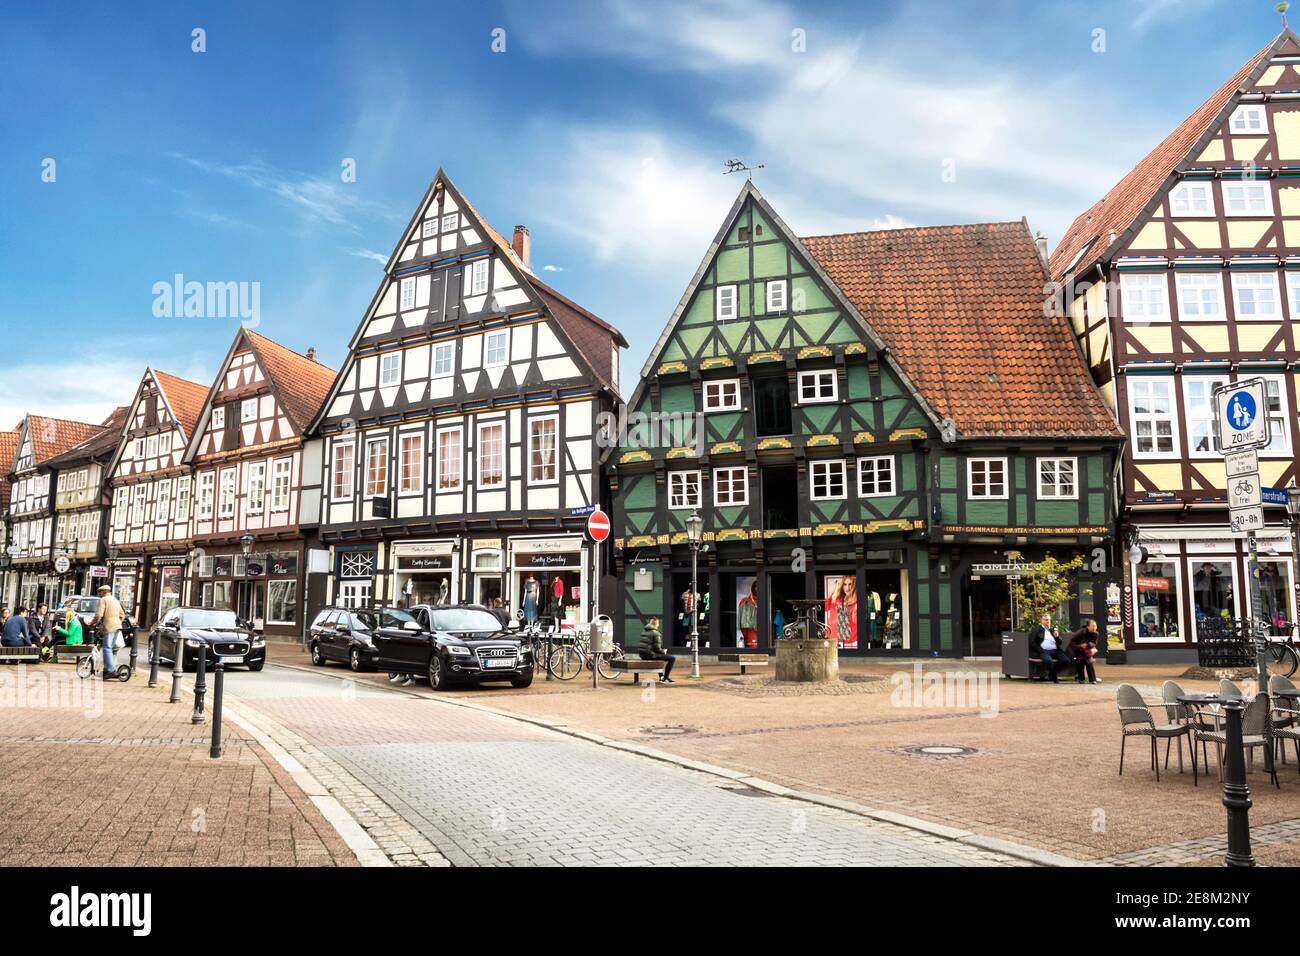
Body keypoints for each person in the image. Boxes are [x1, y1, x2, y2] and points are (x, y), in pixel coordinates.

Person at [90, 585, 125, 681]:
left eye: (99, 592)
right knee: (111, 648)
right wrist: (118, 622)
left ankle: (110, 670)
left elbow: (99, 615)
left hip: (109, 627)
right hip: (117, 627)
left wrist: (92, 623)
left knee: (107, 648)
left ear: (104, 591)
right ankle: (107, 669)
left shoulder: (103, 600)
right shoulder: (115, 600)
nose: (99, 594)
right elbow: (122, 615)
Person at [1028, 612, 1070, 683]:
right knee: (1049, 661)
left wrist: (1057, 637)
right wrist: (1041, 651)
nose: (1048, 621)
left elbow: (1060, 643)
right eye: (1046, 620)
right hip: (1044, 651)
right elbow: (1032, 643)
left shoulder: (1053, 630)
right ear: (1042, 621)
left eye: (1049, 620)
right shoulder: (1037, 630)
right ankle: (1054, 678)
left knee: (1066, 660)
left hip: (1055, 650)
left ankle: (1052, 674)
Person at [637, 617, 674, 684]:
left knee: (659, 656)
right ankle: (665, 678)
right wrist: (663, 652)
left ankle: (661, 677)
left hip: (643, 655)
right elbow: (657, 648)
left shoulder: (644, 631)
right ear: (657, 624)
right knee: (672, 658)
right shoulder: (655, 633)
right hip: (649, 655)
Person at [1066, 619, 1101, 685]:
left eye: (1095, 626)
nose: (1094, 628)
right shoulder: (1081, 632)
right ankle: (1081, 679)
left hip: (1087, 651)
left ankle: (1092, 680)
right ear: (1088, 627)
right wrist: (1080, 646)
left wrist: (1088, 644)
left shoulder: (1096, 634)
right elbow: (1072, 641)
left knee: (1089, 662)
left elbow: (1094, 644)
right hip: (1077, 650)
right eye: (1092, 626)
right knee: (1080, 661)